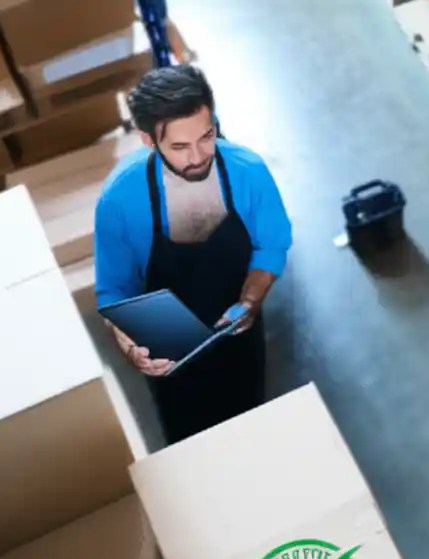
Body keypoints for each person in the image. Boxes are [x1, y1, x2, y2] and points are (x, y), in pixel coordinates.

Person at [94, 65, 292, 444]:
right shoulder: (120, 199)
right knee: (190, 438)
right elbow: (113, 293)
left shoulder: (247, 171)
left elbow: (272, 246)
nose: (199, 156)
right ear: (149, 141)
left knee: (250, 423)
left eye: (207, 136)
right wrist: (130, 345)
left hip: (239, 331)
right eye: (180, 147)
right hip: (170, 353)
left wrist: (250, 301)